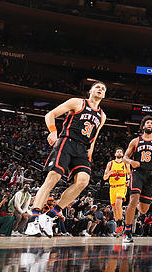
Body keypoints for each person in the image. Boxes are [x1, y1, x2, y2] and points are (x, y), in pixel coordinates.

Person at [26, 82, 107, 237]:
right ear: (90, 91)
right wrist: (52, 131)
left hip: (82, 149)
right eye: (97, 87)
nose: (100, 89)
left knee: (83, 181)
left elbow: (94, 137)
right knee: (52, 179)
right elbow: (50, 115)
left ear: (104, 95)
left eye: (103, 89)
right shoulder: (77, 102)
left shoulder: (102, 116)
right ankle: (33, 220)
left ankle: (49, 217)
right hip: (67, 142)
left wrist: (90, 152)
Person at [123, 116, 152, 243]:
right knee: (134, 199)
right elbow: (125, 157)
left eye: (151, 123)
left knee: (143, 210)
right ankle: (127, 231)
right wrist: (131, 162)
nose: (149, 124)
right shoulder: (135, 141)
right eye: (147, 123)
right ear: (143, 126)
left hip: (150, 175)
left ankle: (135, 207)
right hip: (137, 173)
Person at [104, 148, 130, 236]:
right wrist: (108, 174)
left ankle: (121, 221)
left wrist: (129, 181)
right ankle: (119, 224)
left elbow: (129, 174)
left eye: (120, 152)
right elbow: (104, 177)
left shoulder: (125, 163)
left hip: (122, 187)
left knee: (119, 204)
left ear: (122, 154)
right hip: (112, 188)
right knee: (114, 209)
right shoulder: (110, 163)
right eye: (117, 151)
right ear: (115, 154)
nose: (119, 153)